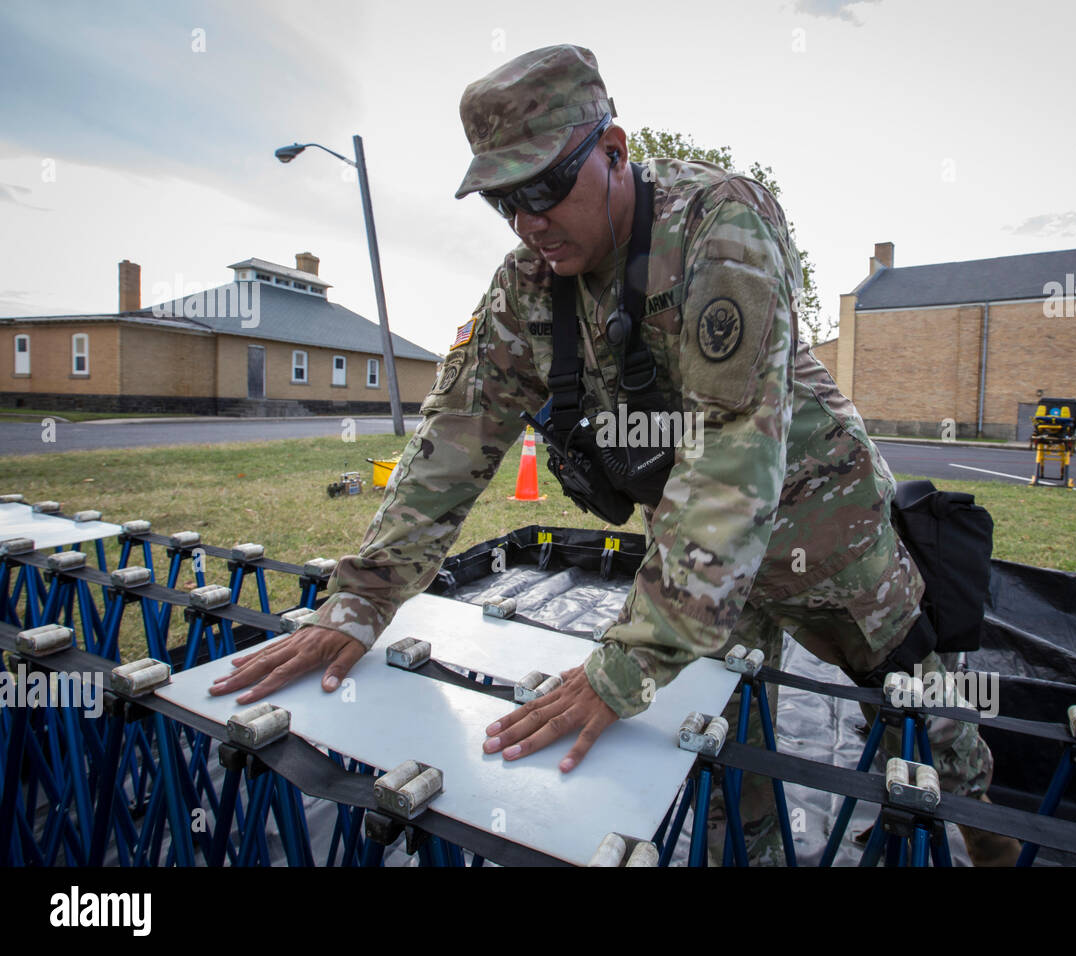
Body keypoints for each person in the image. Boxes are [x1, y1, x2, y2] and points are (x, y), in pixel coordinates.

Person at [210, 43, 1019, 866]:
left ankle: (991, 847)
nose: (529, 221)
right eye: (505, 201)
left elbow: (732, 448)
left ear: (614, 151)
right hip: (700, 563)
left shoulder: (719, 222)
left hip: (828, 529)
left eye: (546, 188)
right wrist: (362, 599)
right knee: (723, 756)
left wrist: (623, 667)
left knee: (931, 733)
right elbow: (455, 435)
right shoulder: (529, 284)